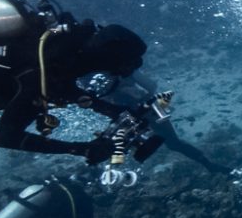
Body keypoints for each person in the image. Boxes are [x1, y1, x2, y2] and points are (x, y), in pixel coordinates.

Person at [0, 0, 147, 162]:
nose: (111, 75)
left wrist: (109, 110)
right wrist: (82, 149)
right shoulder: (40, 72)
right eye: (115, 68)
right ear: (105, 59)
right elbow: (5, 137)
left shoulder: (55, 47)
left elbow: (61, 87)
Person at [83, 70, 231, 174]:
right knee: (172, 143)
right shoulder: (117, 69)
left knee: (121, 147)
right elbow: (150, 85)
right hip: (145, 110)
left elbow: (98, 106)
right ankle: (209, 165)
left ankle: (209, 165)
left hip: (134, 114)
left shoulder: (92, 79)